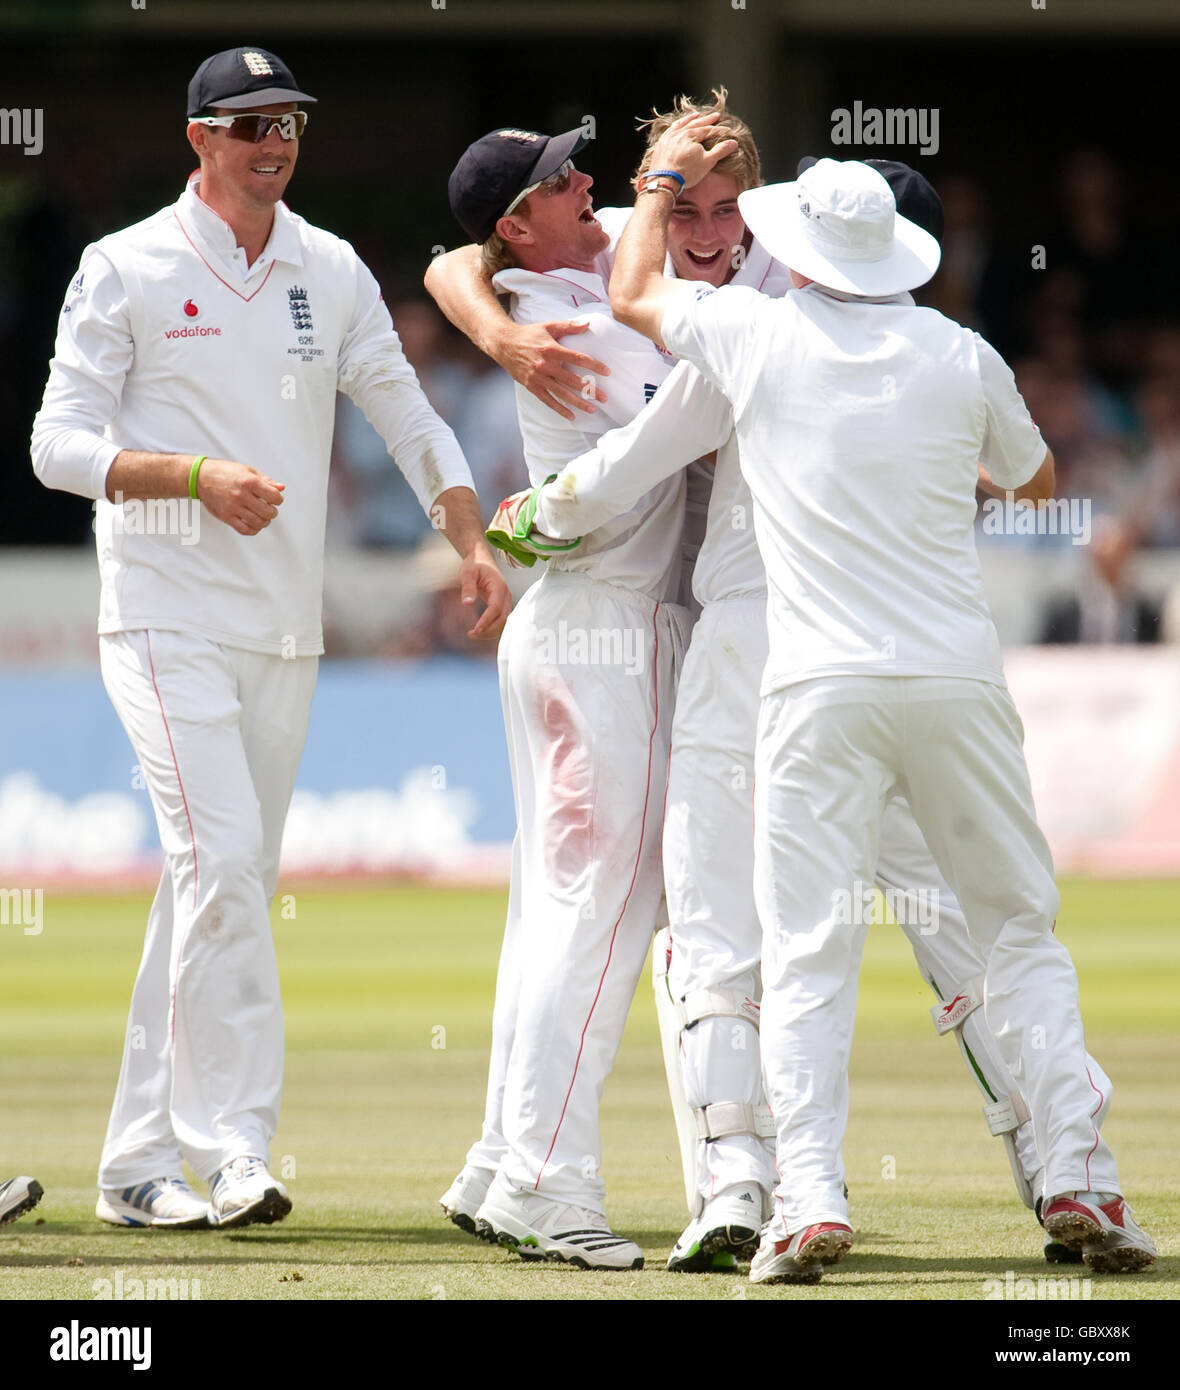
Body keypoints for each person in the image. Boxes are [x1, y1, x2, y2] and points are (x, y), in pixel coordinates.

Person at [490, 131, 1117, 1272]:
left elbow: (632, 451)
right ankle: (1062, 1166)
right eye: (692, 213)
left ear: (773, 225)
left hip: (788, 678)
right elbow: (1034, 475)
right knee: (959, 928)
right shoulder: (936, 346)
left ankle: (775, 1183)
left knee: (783, 936)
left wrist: (539, 516)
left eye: (730, 210)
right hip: (919, 671)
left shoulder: (750, 329)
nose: (712, 233)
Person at [30, 46, 508, 1232]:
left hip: (282, 631)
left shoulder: (326, 265)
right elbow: (57, 445)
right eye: (248, 127)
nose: (274, 143)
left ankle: (136, 1165)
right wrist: (189, 476)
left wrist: (470, 540)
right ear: (200, 140)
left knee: (210, 886)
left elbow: (401, 402)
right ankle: (232, 1148)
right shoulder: (124, 265)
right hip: (161, 616)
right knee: (226, 868)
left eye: (288, 122)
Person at [427, 122, 700, 1269]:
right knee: (600, 911)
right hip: (608, 634)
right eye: (558, 181)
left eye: (583, 170)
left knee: (553, 910)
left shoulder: (560, 298)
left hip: (577, 630)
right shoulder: (583, 324)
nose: (585, 184)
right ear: (515, 225)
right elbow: (668, 441)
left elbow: (448, 271)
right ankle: (549, 1180)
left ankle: (502, 1159)